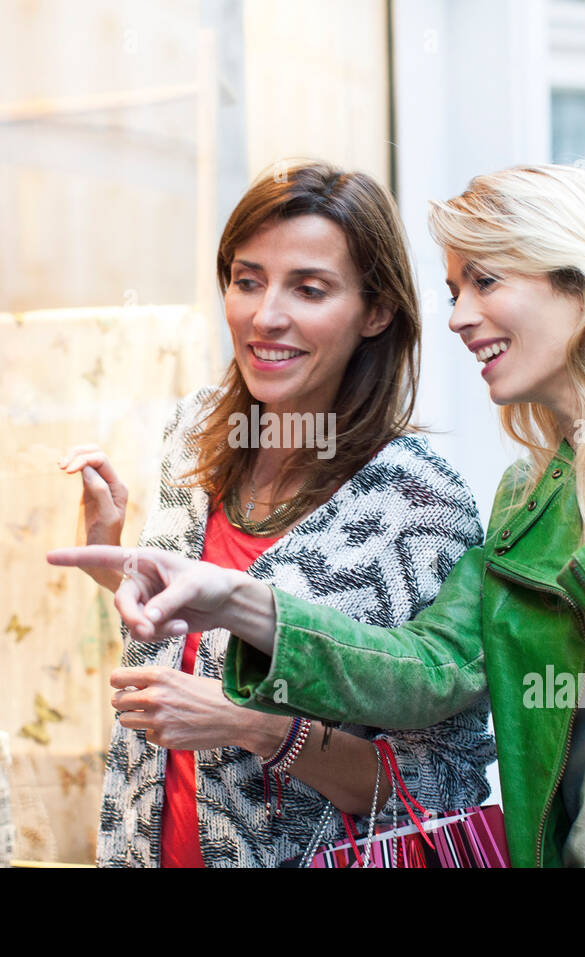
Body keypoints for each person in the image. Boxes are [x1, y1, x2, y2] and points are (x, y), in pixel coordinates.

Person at [52, 164, 585, 868]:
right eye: (456, 285)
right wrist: (229, 598)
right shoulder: (530, 497)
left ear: (584, 284)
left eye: (486, 281)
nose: (458, 315)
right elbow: (431, 669)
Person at [58, 161, 494, 867]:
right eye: (247, 279)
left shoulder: (418, 504)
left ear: (377, 310)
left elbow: (444, 784)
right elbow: (192, 647)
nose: (265, 316)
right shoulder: (195, 437)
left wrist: (257, 727)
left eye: (309, 288)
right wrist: (118, 567)